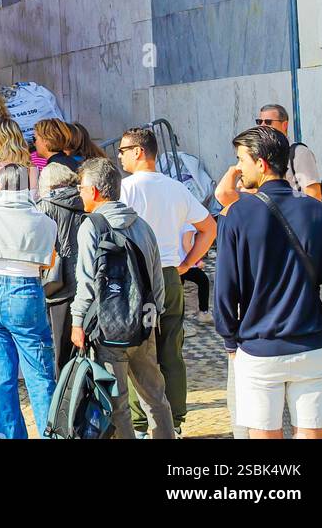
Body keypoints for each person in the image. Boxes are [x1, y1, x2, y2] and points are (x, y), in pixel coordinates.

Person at [214, 126, 322, 439]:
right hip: (312, 343)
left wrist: (229, 339)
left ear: (260, 164)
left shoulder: (236, 215)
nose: (238, 169)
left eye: (241, 161)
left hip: (258, 348)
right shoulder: (320, 213)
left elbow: (225, 289)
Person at [117, 125, 216, 436]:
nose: (119, 157)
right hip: (171, 274)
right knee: (171, 350)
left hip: (138, 277)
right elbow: (209, 228)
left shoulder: (127, 189)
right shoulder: (176, 188)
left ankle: (142, 423)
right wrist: (187, 263)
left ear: (138, 151)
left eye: (122, 151)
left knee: (135, 351)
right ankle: (175, 421)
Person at [70, 157, 176, 439]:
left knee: (117, 405)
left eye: (81, 187)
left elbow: (86, 281)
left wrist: (78, 322)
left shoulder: (91, 226)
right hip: (143, 325)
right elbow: (156, 277)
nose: (79, 193)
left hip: (109, 329)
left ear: (93, 191)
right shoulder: (142, 225)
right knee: (155, 396)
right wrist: (154, 318)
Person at [0, 164, 58, 438]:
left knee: (1, 375)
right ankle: (50, 433)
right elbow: (48, 262)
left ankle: (8, 435)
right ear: (27, 186)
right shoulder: (44, 221)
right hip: (25, 291)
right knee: (39, 374)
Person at [215, 103, 322, 214]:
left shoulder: (299, 153)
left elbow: (313, 194)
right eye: (259, 121)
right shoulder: (256, 152)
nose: (262, 125)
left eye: (268, 122)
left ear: (285, 125)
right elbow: (231, 193)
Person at [37, 161, 85, 378]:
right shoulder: (85, 200)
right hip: (85, 276)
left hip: (57, 282)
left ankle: (62, 389)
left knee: (59, 343)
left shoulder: (44, 206)